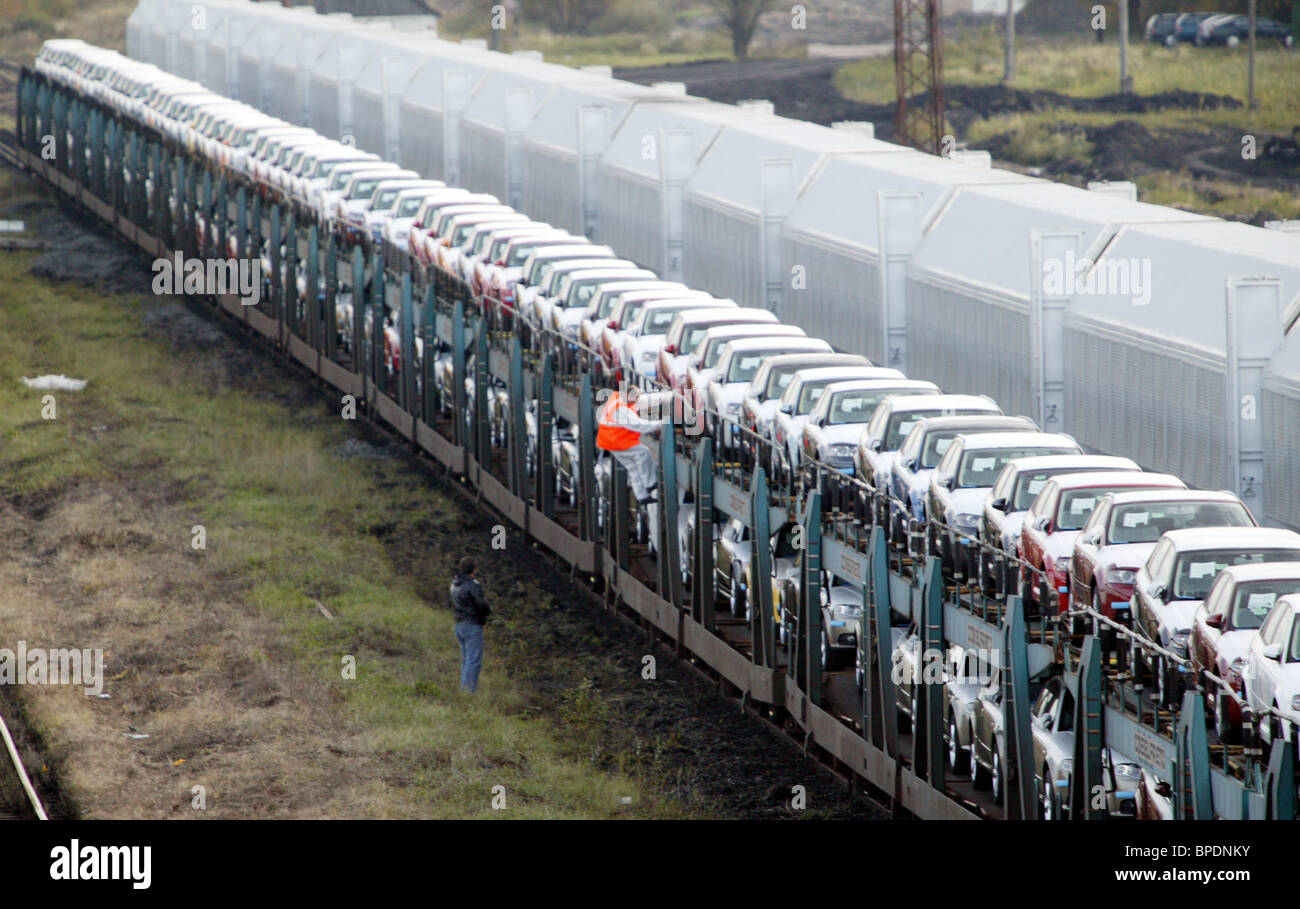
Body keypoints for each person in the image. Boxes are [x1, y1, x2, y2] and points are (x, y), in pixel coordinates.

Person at [595, 386, 665, 505]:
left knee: (633, 467)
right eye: (635, 398)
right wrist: (660, 424)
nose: (636, 400)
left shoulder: (621, 399)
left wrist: (667, 396)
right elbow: (638, 425)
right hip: (617, 441)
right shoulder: (620, 410)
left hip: (612, 441)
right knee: (643, 453)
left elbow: (646, 400)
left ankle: (642, 496)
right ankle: (651, 483)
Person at [450, 556, 491, 693]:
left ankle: (464, 687)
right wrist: (487, 613)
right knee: (473, 659)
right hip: (472, 625)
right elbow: (481, 604)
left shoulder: (454, 584)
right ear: (474, 569)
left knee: (466, 659)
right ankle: (469, 690)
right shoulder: (473, 585)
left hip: (459, 624)